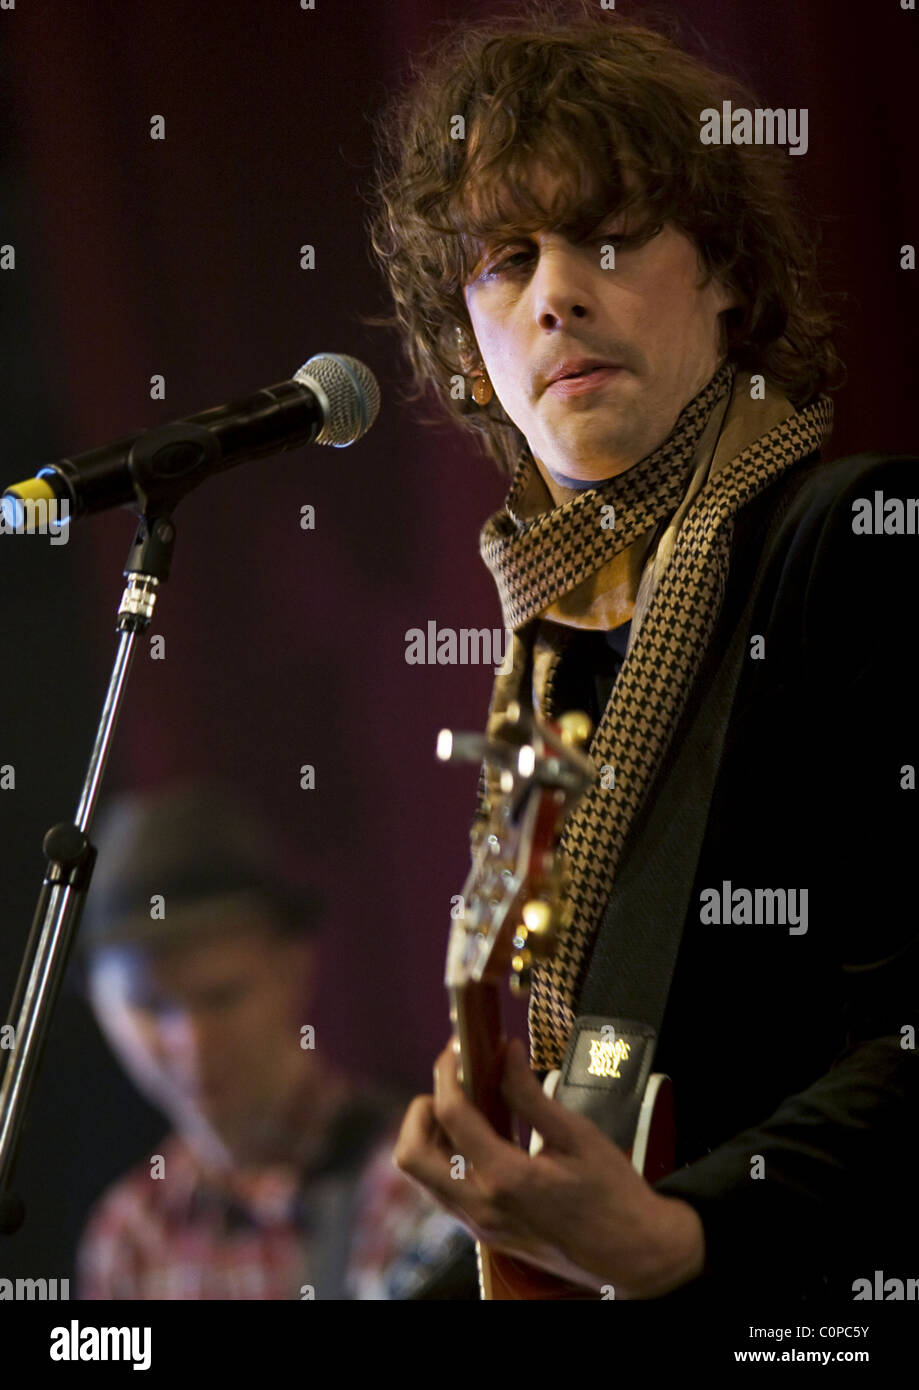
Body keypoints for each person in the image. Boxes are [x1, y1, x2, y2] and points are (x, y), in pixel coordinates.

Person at [369, 4, 918, 1302]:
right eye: (505, 258)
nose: (555, 291)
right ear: (465, 350)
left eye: (606, 238)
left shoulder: (856, 542)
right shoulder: (546, 665)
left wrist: (686, 1234)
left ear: (724, 271)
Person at [74, 781, 468, 1299]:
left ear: (294, 969)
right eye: (149, 1007)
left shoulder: (412, 1181)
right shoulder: (128, 1236)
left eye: (222, 996)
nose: (190, 1041)